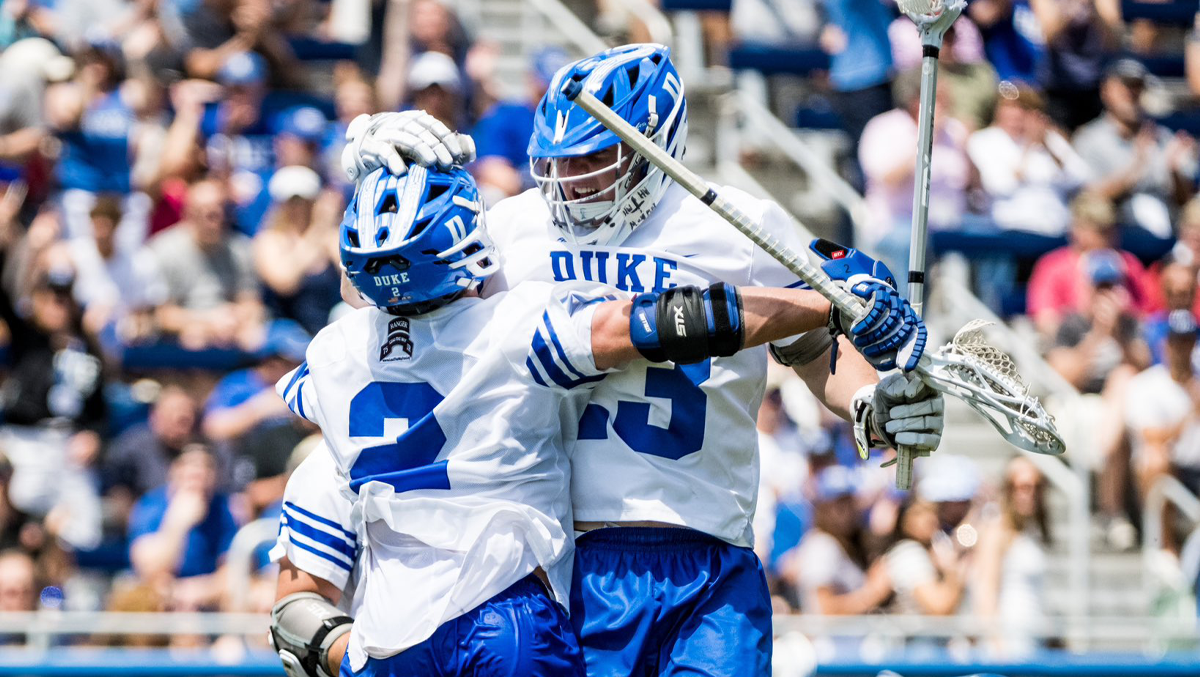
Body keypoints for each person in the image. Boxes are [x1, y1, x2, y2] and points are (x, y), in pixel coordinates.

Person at [341, 43, 945, 676]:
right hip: (570, 551)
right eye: (557, 163)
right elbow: (384, 306)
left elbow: (814, 348)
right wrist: (374, 182)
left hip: (710, 544)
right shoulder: (511, 229)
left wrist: (867, 403)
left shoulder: (738, 226)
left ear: (654, 146)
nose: (570, 181)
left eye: (593, 159)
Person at [1073, 59, 1197, 238]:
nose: (1131, 93)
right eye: (1124, 86)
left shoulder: (1164, 138)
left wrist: (1174, 172)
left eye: (1137, 86)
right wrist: (1136, 166)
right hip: (1114, 230)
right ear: (1105, 91)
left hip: (1168, 225)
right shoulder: (1089, 138)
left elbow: (1185, 201)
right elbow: (1089, 196)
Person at [148, 178, 265, 350]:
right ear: (188, 214)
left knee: (255, 337)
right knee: (194, 339)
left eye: (221, 212)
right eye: (208, 214)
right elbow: (161, 316)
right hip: (183, 337)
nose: (215, 220)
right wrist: (208, 322)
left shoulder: (240, 249)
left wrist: (238, 319)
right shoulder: (164, 250)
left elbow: (251, 302)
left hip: (230, 330)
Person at [1027, 191, 1155, 338]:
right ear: (1077, 230)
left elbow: (1149, 320)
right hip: (1074, 343)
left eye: (1112, 229)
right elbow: (1045, 323)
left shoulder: (1129, 264)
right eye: (1100, 231)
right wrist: (1085, 313)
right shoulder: (1052, 266)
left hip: (1123, 342)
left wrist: (1126, 311)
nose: (1109, 237)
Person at [967, 82, 1090, 235]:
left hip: (1055, 229)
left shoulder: (1050, 139)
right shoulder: (984, 140)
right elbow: (999, 186)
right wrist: (1028, 148)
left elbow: (1080, 177)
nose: (1016, 114)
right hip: (1011, 230)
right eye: (1009, 107)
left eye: (1023, 108)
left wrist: (1048, 146)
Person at [127, 444, 240, 591]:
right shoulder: (150, 506)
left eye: (207, 466)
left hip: (205, 595)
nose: (198, 472)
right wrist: (178, 523)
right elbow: (148, 570)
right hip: (160, 595)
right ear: (174, 470)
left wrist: (194, 591)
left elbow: (233, 572)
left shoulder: (224, 511)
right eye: (190, 464)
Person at [783, 466, 891, 616]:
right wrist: (874, 592)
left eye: (850, 502)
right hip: (828, 632)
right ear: (822, 507)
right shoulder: (821, 545)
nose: (846, 511)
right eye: (838, 504)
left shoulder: (844, 542)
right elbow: (824, 609)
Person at [974, 456, 1051, 658]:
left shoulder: (1031, 532)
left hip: (1031, 645)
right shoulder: (996, 531)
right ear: (1009, 489)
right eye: (1024, 487)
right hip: (1007, 648)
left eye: (1037, 487)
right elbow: (985, 592)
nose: (1031, 494)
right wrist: (997, 645)